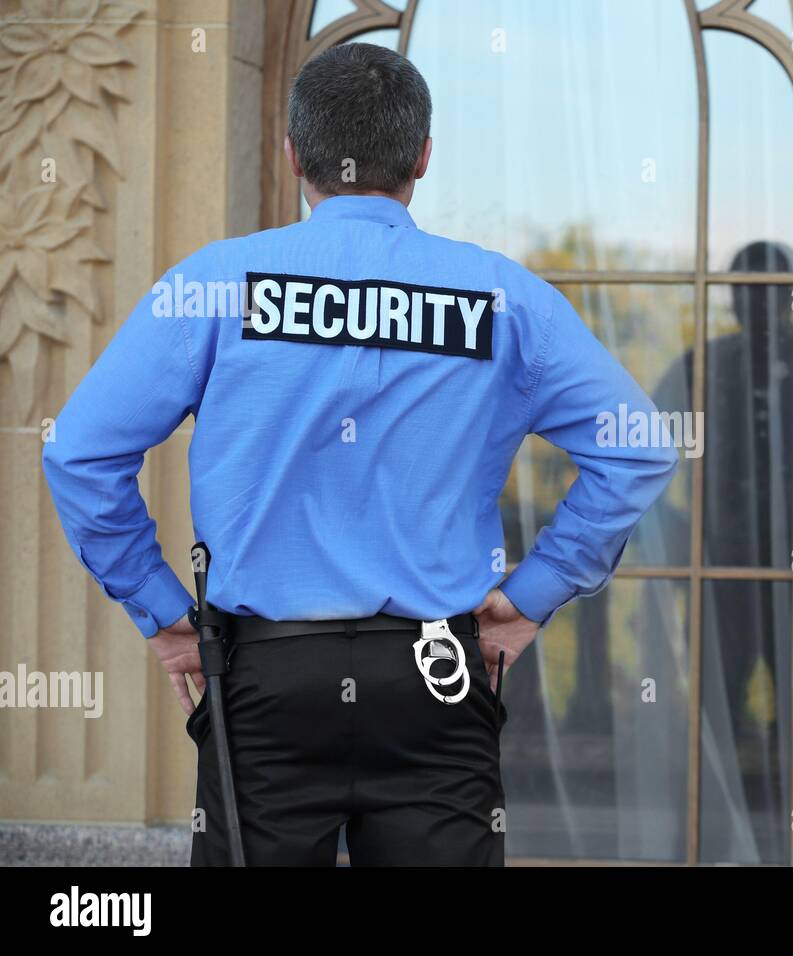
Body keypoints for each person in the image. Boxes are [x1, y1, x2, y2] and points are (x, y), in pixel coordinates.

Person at [41, 42, 678, 866]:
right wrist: (530, 596)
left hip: (266, 678)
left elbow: (79, 453)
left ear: (295, 154)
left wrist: (161, 611)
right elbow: (639, 448)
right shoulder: (506, 298)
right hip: (436, 676)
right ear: (422, 157)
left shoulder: (217, 284)